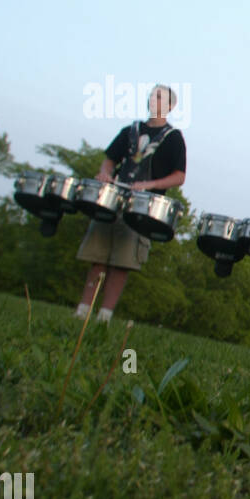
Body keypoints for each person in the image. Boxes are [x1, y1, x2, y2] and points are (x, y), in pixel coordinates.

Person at [74, 84, 186, 322]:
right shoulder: (130, 130)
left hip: (143, 206)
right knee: (97, 257)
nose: (152, 99)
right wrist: (105, 174)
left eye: (159, 96)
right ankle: (83, 310)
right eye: (151, 95)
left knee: (122, 263)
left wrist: (149, 185)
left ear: (170, 105)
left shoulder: (173, 138)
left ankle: (104, 315)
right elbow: (109, 160)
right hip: (113, 198)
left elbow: (180, 176)